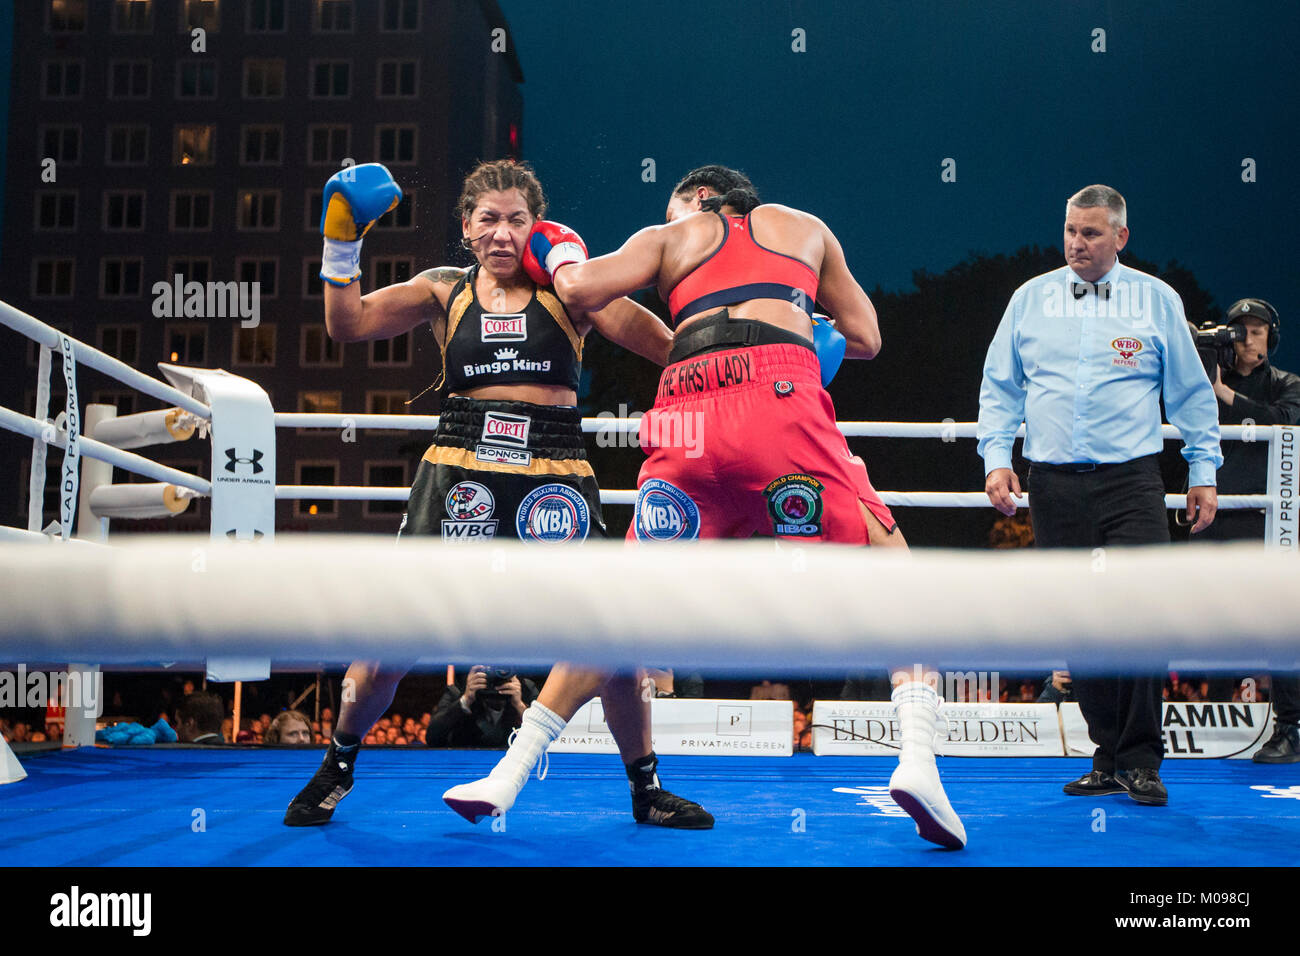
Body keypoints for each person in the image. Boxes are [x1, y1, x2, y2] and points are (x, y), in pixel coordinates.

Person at [519, 163, 965, 849]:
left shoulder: (671, 239)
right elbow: (868, 337)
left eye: (672, 210)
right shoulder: (806, 227)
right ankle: (919, 762)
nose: (670, 224)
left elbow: (580, 289)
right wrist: (803, 335)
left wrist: (556, 250)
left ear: (700, 200)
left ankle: (513, 769)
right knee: (894, 576)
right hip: (780, 403)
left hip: (686, 414)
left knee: (622, 605)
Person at [285, 159, 712, 830]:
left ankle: (646, 788)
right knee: (395, 637)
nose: (503, 233)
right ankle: (336, 766)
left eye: (517, 220)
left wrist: (761, 339)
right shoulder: (443, 289)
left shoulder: (573, 292)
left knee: (613, 636)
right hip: (459, 472)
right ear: (466, 227)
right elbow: (348, 324)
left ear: (538, 226)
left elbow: (675, 351)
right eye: (489, 219)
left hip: (555, 474)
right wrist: (342, 240)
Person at [978, 184, 1223, 806]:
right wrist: (996, 460)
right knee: (1080, 620)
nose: (1076, 243)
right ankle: (1108, 755)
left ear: (1120, 236)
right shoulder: (1030, 299)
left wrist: (1203, 470)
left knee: (1140, 616)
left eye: (1090, 233)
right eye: (1070, 230)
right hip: (1053, 483)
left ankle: (1141, 760)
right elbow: (1000, 387)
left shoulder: (1156, 299)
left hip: (1132, 481)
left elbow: (1190, 393)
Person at [1196, 298, 1300, 762]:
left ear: (1271, 338)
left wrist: (1225, 395)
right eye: (1239, 330)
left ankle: (1291, 727)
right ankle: (1207, 720)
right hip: (1212, 515)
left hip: (1267, 520)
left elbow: (1285, 423)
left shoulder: (1287, 384)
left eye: (1257, 330)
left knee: (1278, 623)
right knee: (1209, 621)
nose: (1247, 338)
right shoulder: (1202, 381)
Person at [426, 667, 539, 748]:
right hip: (466, 764)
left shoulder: (525, 689)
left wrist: (520, 706)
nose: (494, 678)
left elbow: (546, 738)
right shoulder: (460, 689)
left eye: (501, 670)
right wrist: (466, 700)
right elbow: (432, 738)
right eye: (488, 672)